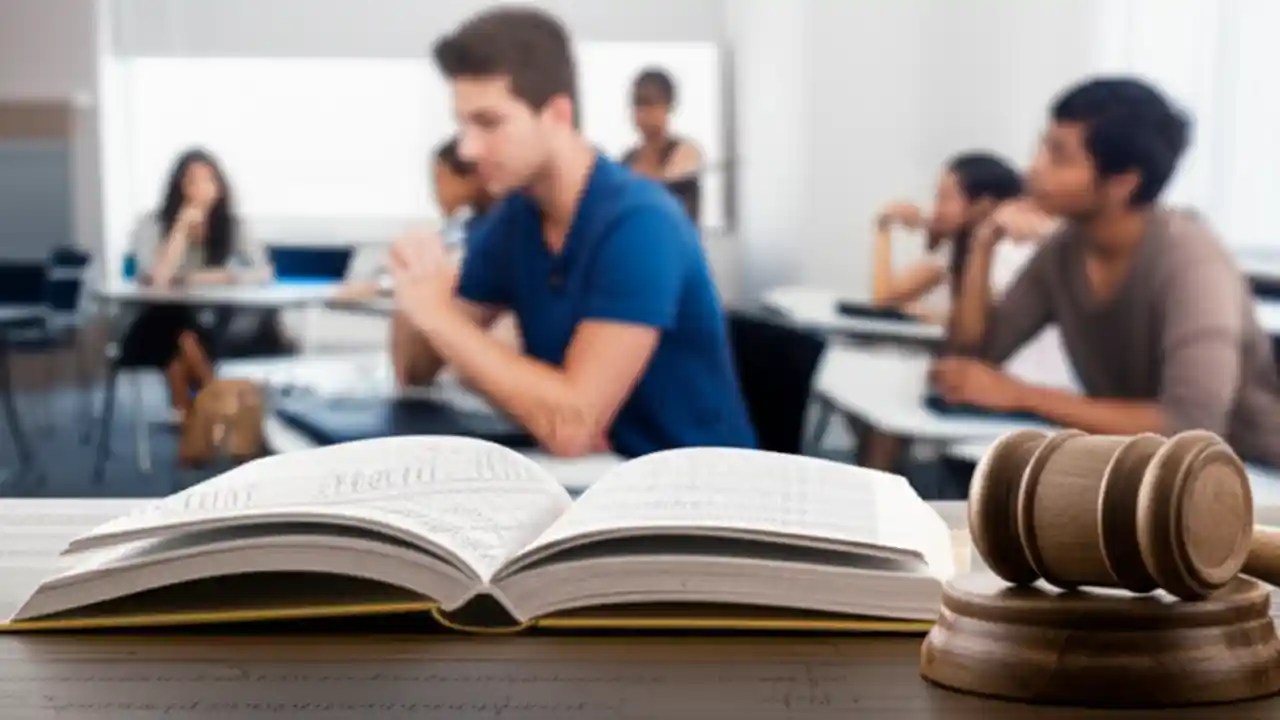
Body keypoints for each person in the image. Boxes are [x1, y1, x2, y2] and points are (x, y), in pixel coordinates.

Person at [390, 7, 756, 458]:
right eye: (462, 124)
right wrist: (415, 291)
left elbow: (572, 426)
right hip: (601, 477)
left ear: (558, 115)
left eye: (489, 123)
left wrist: (438, 316)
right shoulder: (516, 216)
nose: (466, 149)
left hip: (693, 500)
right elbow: (416, 372)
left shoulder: (642, 222)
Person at [936, 77, 1280, 468]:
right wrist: (983, 243)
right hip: (1143, 470)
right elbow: (972, 358)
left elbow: (1190, 425)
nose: (1033, 170)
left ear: (1123, 182)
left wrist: (1021, 394)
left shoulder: (1192, 261)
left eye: (1058, 157)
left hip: (1250, 477)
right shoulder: (1065, 249)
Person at [121, 148, 272, 422]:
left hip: (219, 319)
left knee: (185, 341)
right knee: (179, 330)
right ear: (178, 187)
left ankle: (190, 417)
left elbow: (263, 272)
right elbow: (157, 279)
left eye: (208, 180)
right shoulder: (152, 224)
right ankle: (213, 404)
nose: (200, 189)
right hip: (158, 322)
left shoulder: (233, 226)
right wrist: (180, 229)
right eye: (192, 181)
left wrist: (222, 277)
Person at [872, 153, 1024, 323]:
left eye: (945, 198)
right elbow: (884, 299)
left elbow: (991, 326)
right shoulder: (955, 248)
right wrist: (884, 226)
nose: (936, 208)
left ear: (982, 206)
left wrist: (935, 318)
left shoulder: (1009, 253)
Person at [337, 137, 494, 301]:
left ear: (471, 179)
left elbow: (453, 271)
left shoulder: (493, 228)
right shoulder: (462, 223)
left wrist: (380, 287)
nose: (436, 193)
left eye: (440, 181)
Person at [621, 68, 703, 223]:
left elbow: (662, 195)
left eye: (650, 104)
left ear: (668, 106)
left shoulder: (685, 151)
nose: (643, 113)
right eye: (637, 104)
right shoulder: (627, 159)